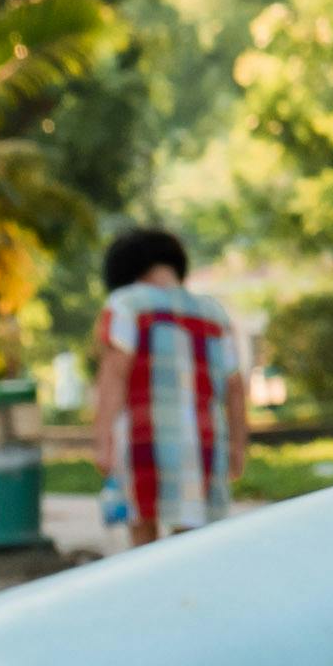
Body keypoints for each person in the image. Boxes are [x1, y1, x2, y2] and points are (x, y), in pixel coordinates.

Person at [95, 224, 256, 548]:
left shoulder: (125, 304)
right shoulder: (213, 312)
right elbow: (235, 385)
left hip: (145, 440)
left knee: (143, 535)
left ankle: (150, 597)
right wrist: (238, 445)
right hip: (205, 443)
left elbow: (115, 374)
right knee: (192, 544)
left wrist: (102, 439)